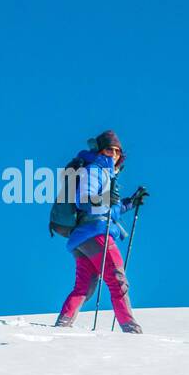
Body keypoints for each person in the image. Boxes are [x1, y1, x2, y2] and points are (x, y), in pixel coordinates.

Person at [54, 130, 147, 333]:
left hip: (82, 239)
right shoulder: (95, 170)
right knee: (117, 279)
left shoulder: (103, 173)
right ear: (100, 150)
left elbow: (107, 207)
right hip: (95, 233)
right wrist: (109, 203)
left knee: (84, 287)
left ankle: (62, 325)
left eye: (116, 151)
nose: (113, 154)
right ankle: (131, 329)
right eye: (109, 149)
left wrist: (130, 203)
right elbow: (84, 200)